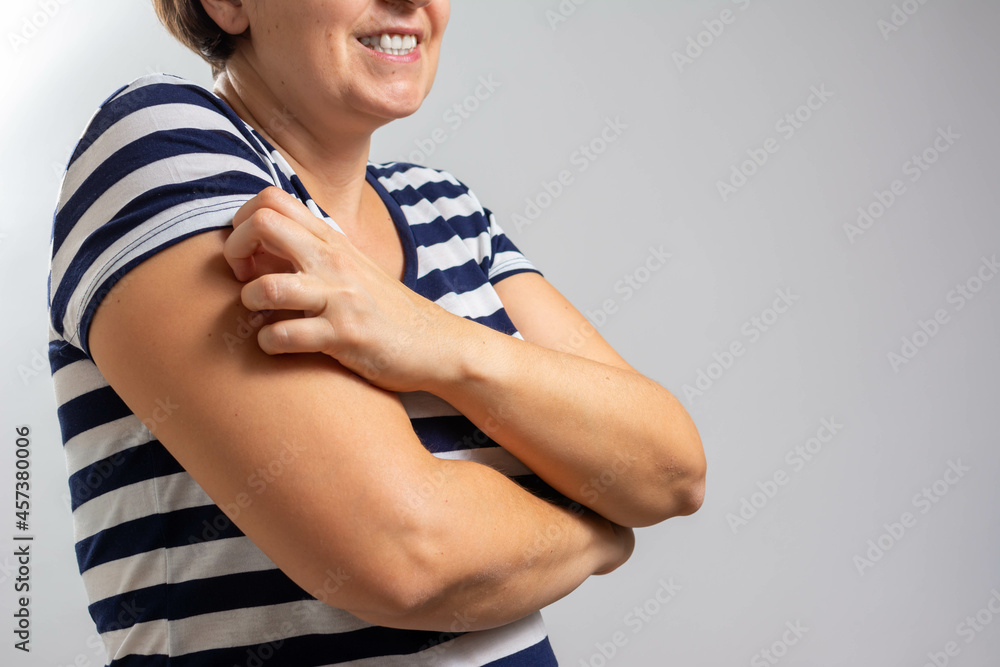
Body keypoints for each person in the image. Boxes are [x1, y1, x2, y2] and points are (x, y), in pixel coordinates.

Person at [47, 0, 706, 664]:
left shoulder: (446, 209)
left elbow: (673, 470)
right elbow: (406, 554)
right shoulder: (163, 147)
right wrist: (599, 528)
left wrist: (431, 339)